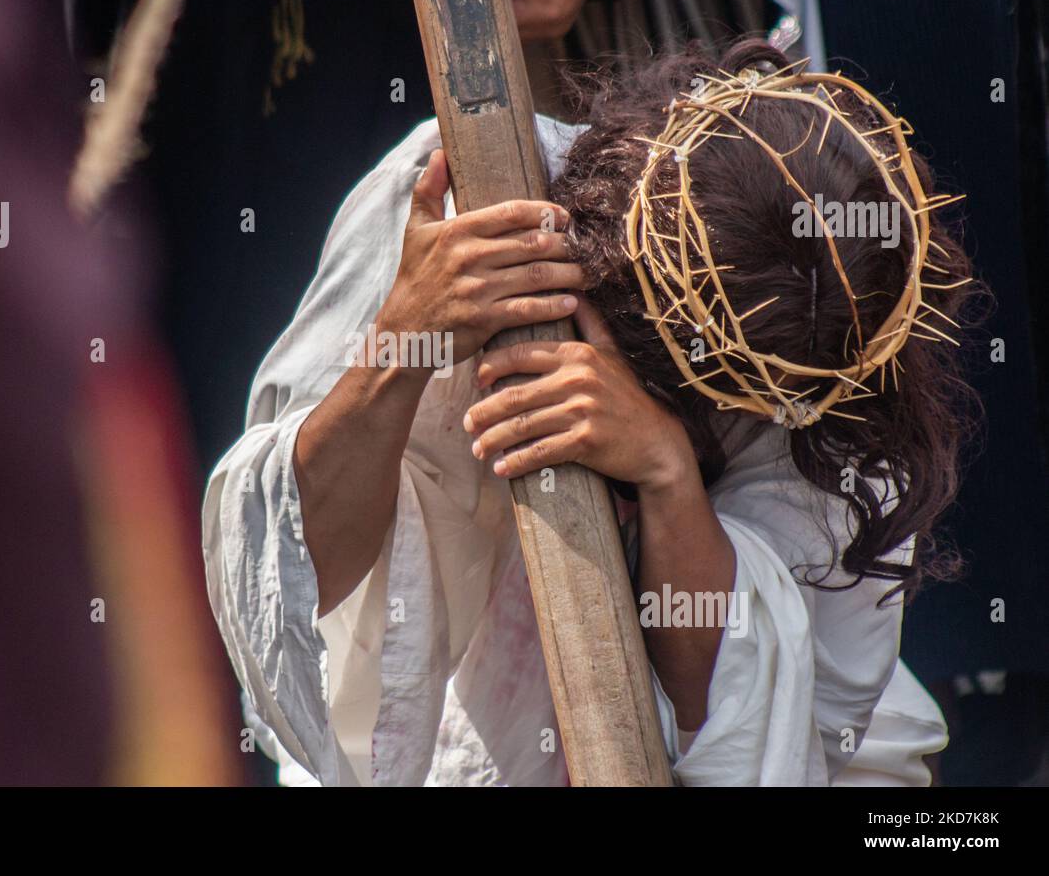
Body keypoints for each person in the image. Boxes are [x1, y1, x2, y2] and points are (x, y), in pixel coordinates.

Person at [203, 40, 970, 785]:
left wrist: (666, 473)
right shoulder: (450, 205)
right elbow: (297, 578)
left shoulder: (841, 397)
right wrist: (403, 342)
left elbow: (738, 719)